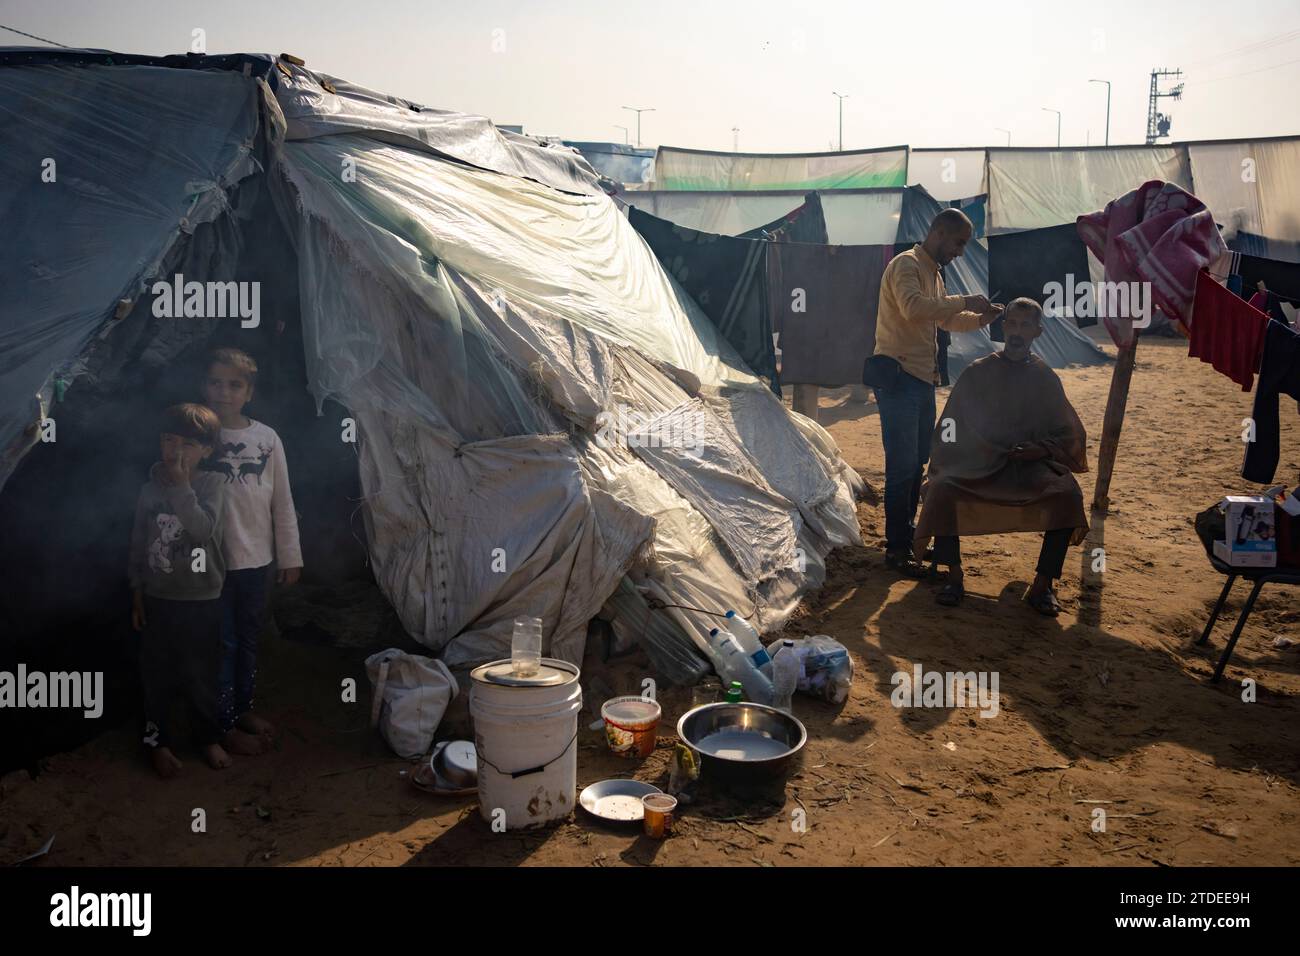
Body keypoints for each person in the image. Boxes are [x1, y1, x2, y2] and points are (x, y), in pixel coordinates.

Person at [913, 298, 1089, 614]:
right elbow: (949, 429)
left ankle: (1042, 585)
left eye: (1025, 325)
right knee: (941, 487)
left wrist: (1041, 449)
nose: (1017, 332)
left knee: (1068, 494)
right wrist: (971, 451)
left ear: (1037, 331)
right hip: (977, 466)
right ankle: (953, 577)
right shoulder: (977, 372)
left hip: (1029, 468)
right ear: (1003, 326)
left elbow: (1068, 434)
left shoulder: (1045, 377)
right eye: (1012, 323)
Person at [869, 208, 1002, 577]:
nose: (960, 251)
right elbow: (914, 309)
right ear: (939, 233)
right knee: (901, 468)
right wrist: (965, 301)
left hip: (921, 379)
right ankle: (896, 550)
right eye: (958, 243)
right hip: (898, 380)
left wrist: (979, 320)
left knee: (915, 466)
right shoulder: (906, 266)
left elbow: (942, 319)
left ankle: (907, 538)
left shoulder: (933, 273)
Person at [200, 348, 303, 755]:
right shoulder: (198, 435)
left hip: (255, 562)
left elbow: (282, 501)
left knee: (247, 639)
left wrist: (290, 554)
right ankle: (221, 724)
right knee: (221, 643)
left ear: (249, 392)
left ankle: (242, 708)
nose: (223, 392)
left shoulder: (266, 439)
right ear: (202, 386)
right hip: (209, 566)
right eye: (215, 382)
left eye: (234, 384)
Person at [128, 403, 230, 777]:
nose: (176, 450)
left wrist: (182, 485)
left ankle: (207, 737)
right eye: (169, 440)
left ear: (207, 450)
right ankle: (158, 743)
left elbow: (202, 531)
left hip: (201, 598)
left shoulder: (213, 484)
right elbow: (138, 542)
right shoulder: (148, 489)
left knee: (200, 674)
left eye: (188, 443)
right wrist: (137, 590)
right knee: (155, 676)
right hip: (158, 598)